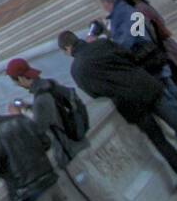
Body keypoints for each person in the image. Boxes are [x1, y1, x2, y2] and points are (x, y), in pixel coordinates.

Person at [4, 56, 159, 201]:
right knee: (110, 194)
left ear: (21, 79)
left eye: (15, 80)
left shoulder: (42, 99)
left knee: (107, 199)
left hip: (72, 155)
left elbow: (40, 134)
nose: (16, 84)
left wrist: (18, 117)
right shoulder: (51, 86)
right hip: (80, 145)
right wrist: (28, 109)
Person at [58, 29, 177, 178]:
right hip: (146, 88)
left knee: (160, 142)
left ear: (67, 48)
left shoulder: (76, 70)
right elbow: (130, 56)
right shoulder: (102, 44)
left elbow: (95, 94)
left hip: (130, 106)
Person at [100, 0, 177, 101]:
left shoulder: (127, 13)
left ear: (108, 1)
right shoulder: (129, 11)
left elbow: (130, 39)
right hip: (153, 55)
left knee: (169, 92)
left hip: (150, 58)